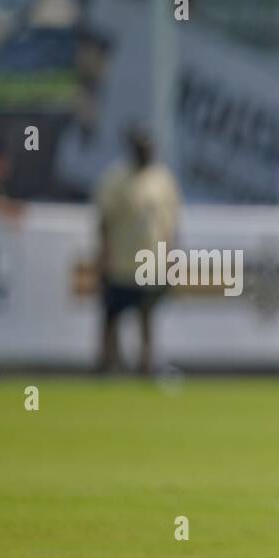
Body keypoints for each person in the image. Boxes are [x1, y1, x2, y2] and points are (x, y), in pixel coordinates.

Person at [93, 127, 180, 374]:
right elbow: (105, 221)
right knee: (112, 314)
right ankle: (108, 362)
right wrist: (104, 256)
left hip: (151, 262)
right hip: (121, 261)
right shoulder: (116, 178)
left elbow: (171, 222)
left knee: (147, 314)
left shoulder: (162, 179)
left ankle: (146, 362)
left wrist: (172, 258)